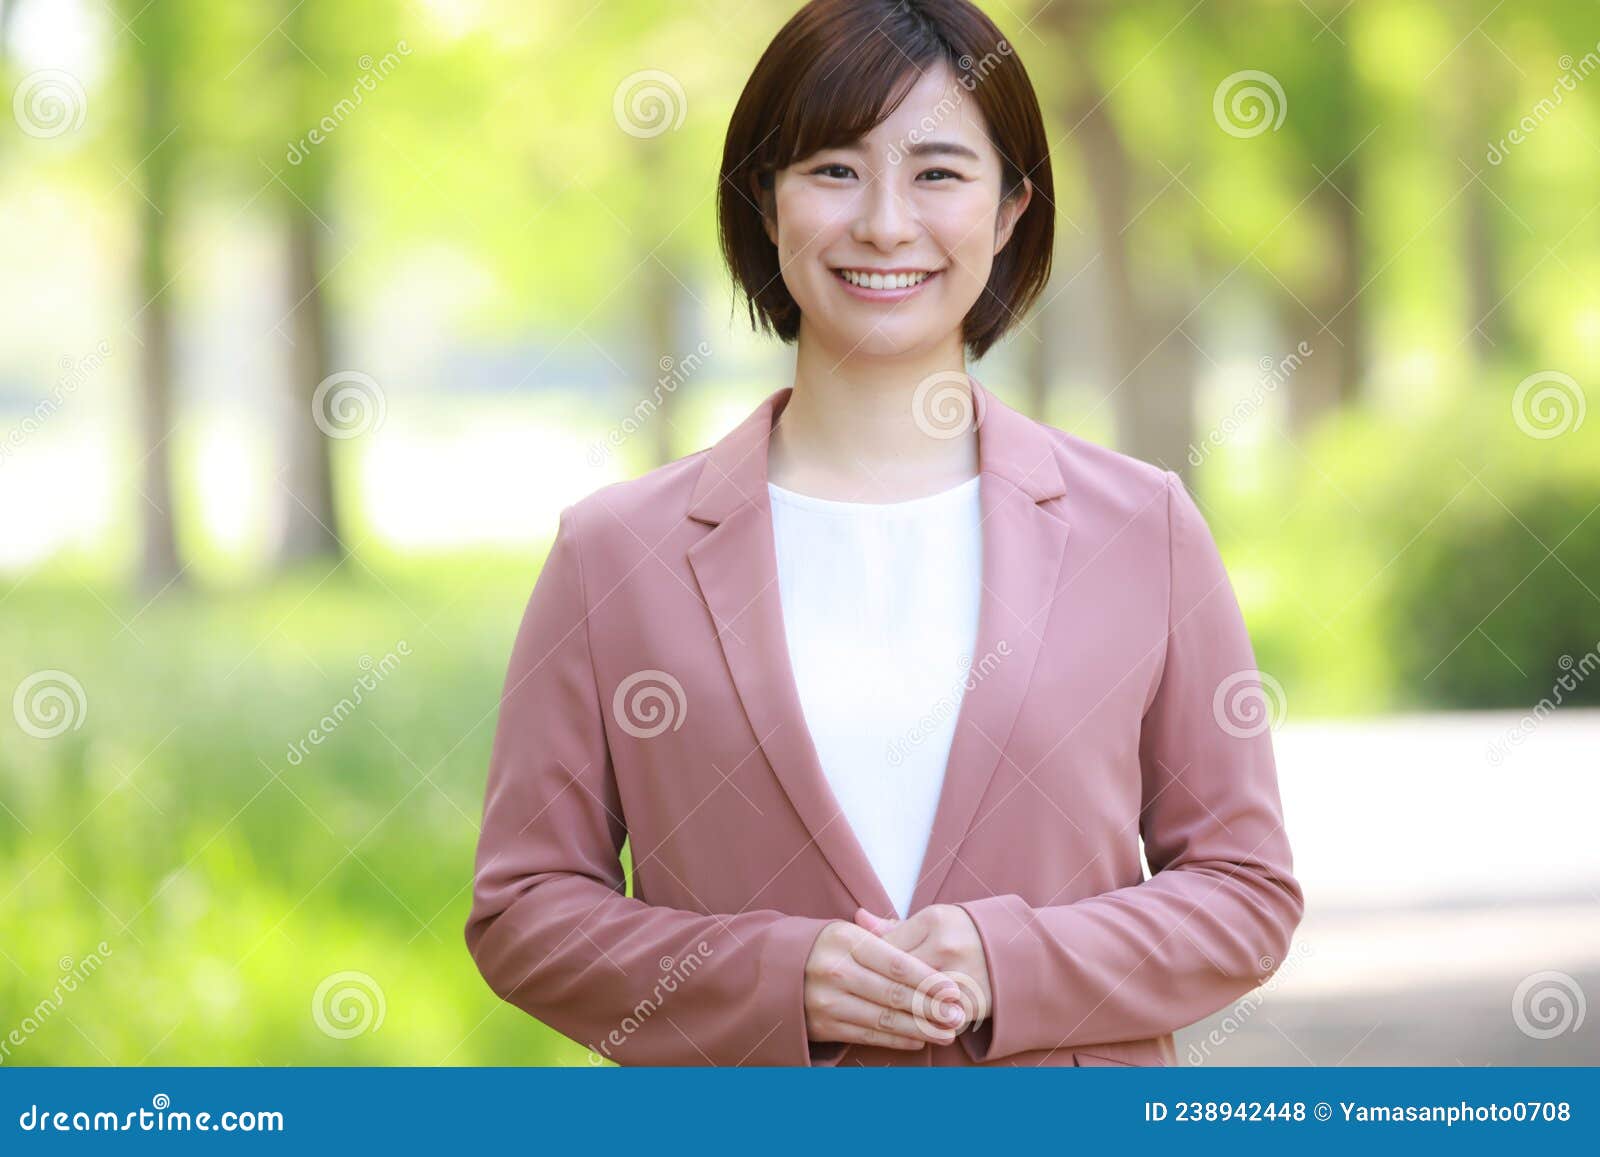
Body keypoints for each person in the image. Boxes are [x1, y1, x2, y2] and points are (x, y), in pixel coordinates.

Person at [465, 0, 1304, 1067]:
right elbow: (526, 910)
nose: (885, 223)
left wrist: (1009, 961)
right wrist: (777, 978)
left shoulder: (1140, 529)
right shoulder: (613, 553)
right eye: (832, 169)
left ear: (1010, 210)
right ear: (764, 202)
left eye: (939, 173)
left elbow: (1243, 891)